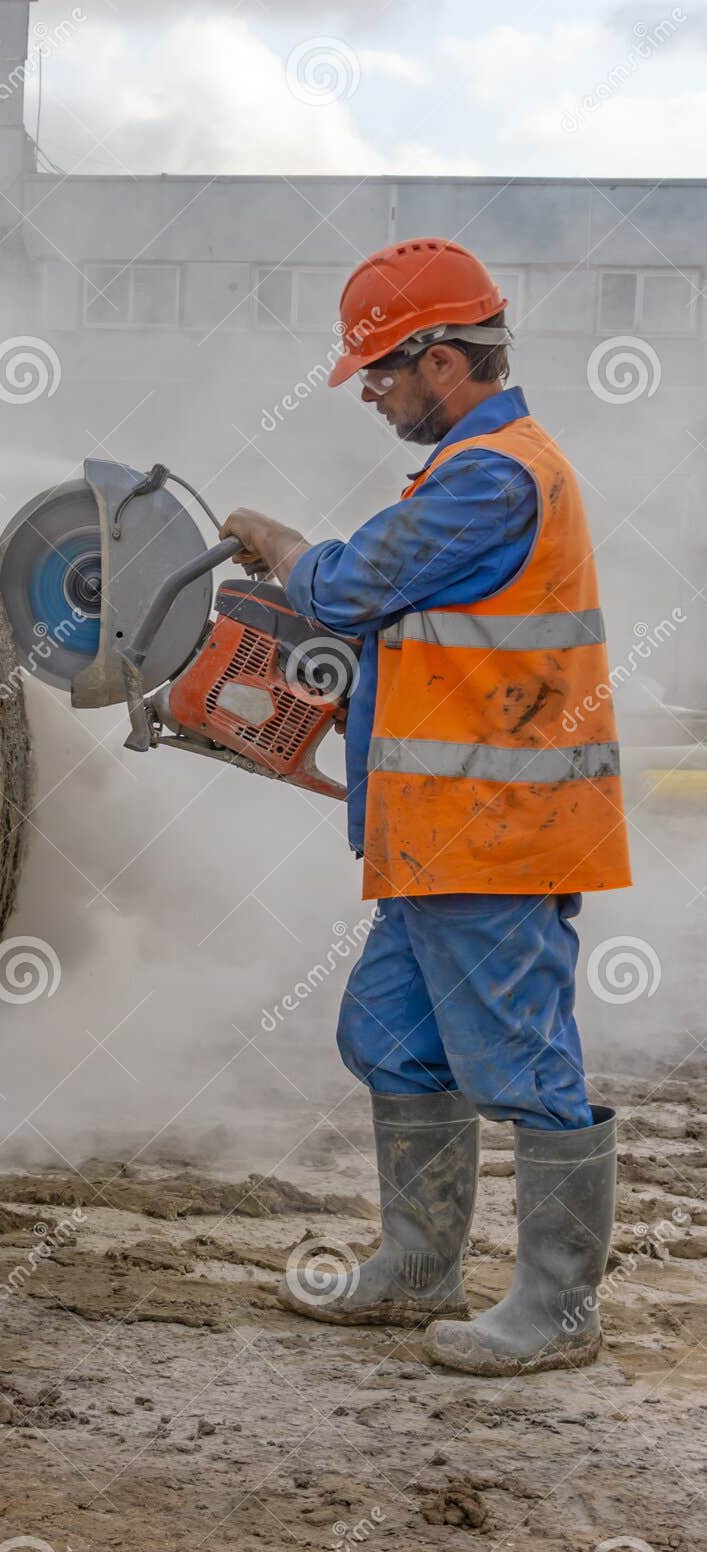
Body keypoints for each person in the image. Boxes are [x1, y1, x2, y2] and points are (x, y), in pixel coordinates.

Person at [220, 237, 631, 1376]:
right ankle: (417, 1267)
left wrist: (282, 544)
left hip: (492, 835)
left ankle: (555, 1309)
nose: (369, 392)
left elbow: (350, 583)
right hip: (435, 837)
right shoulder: (468, 470)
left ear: (444, 358)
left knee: (519, 1064)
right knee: (388, 1039)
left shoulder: (493, 476)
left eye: (381, 371)